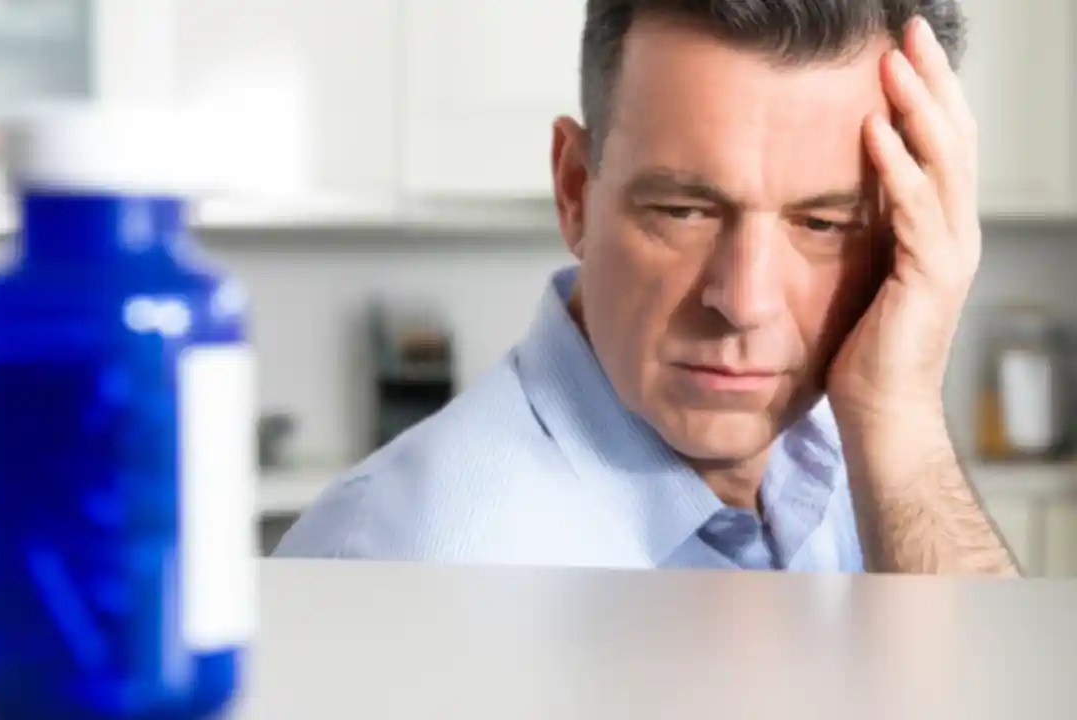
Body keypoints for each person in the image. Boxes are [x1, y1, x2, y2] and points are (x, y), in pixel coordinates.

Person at [276, 0, 1018, 575]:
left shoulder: (873, 468)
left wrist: (904, 420)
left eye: (824, 223)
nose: (745, 300)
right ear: (574, 190)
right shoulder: (410, 559)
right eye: (685, 210)